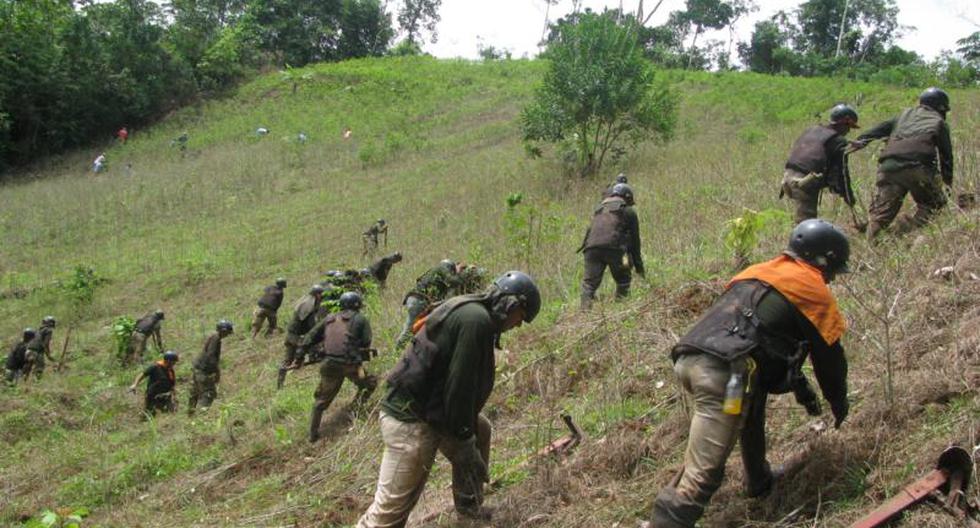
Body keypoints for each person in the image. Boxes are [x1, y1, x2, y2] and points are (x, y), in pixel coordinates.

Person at [648, 219, 851, 528]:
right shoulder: (811, 288)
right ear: (825, 260)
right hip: (723, 373)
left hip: (695, 358)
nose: (832, 279)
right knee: (702, 476)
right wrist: (839, 404)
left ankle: (759, 481)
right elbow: (830, 359)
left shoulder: (758, 271)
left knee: (748, 406)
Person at [357, 271, 541, 527]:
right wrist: (465, 442)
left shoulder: (473, 311)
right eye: (521, 317)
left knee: (481, 429)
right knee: (389, 511)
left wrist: (469, 437)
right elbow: (460, 387)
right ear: (511, 304)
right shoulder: (476, 321)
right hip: (410, 420)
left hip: (432, 410)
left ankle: (469, 511)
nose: (518, 325)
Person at [850, 87, 953, 240]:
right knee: (934, 205)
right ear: (941, 107)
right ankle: (902, 230)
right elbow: (946, 156)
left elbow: (877, 131)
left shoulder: (903, 116)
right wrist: (947, 182)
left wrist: (861, 140)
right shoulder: (939, 122)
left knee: (881, 214)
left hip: (888, 168)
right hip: (918, 168)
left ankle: (871, 242)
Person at [308, 292, 377, 442]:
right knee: (369, 384)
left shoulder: (329, 318)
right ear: (357, 305)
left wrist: (301, 353)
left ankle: (312, 434)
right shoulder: (360, 319)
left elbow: (310, 337)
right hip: (350, 365)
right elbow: (366, 341)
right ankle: (355, 409)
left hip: (328, 365)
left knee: (321, 401)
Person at [781, 104, 861, 223]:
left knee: (800, 220)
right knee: (806, 225)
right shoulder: (838, 141)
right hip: (804, 182)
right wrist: (849, 198)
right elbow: (841, 174)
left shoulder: (813, 129)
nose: (848, 131)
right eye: (848, 126)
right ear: (843, 123)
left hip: (787, 178)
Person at [578, 183, 645, 309]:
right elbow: (636, 243)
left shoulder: (598, 210)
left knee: (589, 285)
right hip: (617, 251)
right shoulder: (629, 211)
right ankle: (620, 308)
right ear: (627, 198)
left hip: (591, 250)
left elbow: (590, 231)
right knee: (624, 280)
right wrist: (639, 268)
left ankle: (584, 312)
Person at [394, 259, 461, 349]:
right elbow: (452, 281)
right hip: (419, 300)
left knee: (415, 327)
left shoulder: (434, 274)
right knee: (411, 328)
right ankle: (398, 349)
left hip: (416, 299)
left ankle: (408, 348)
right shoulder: (442, 267)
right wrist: (459, 273)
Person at [277, 284, 325, 389]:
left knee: (287, 360)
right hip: (296, 336)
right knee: (318, 351)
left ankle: (280, 385)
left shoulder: (306, 301)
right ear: (317, 295)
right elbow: (311, 326)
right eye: (321, 294)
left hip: (291, 335)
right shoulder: (308, 306)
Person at [187, 320, 234, 415]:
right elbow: (210, 356)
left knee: (195, 393)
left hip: (198, 368)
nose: (227, 335)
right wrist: (217, 370)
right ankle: (200, 415)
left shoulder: (213, 337)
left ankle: (190, 415)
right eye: (227, 333)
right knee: (208, 393)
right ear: (223, 331)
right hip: (203, 371)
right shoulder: (216, 339)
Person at [129, 350, 179, 419]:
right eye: (173, 362)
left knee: (170, 413)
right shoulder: (155, 367)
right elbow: (142, 375)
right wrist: (135, 384)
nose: (174, 364)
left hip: (165, 396)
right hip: (153, 395)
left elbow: (172, 383)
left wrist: (174, 394)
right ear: (168, 361)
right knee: (149, 415)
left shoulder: (170, 371)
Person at [24, 316, 57, 380]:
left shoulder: (37, 330)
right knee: (39, 369)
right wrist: (48, 355)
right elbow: (46, 344)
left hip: (28, 351)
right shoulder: (48, 330)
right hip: (37, 352)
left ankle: (24, 382)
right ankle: (36, 383)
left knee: (27, 368)